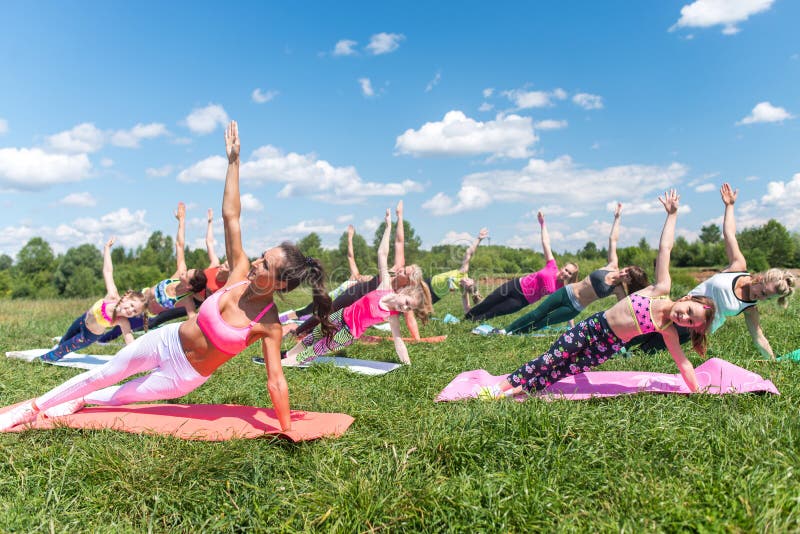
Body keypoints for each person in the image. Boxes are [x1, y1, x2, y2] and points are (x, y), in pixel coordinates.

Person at [0, 120, 332, 432]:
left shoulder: (268, 323)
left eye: (266, 264)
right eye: (261, 256)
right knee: (103, 374)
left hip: (184, 375)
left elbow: (275, 379)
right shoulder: (241, 274)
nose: (257, 262)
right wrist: (233, 163)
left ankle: (80, 401)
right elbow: (231, 216)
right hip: (166, 341)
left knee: (118, 397)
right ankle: (30, 408)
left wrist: (287, 429)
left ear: (280, 283)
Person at [478, 190, 715, 399]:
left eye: (691, 322)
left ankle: (519, 392)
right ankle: (500, 387)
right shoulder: (660, 289)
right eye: (689, 312)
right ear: (686, 299)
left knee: (563, 370)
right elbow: (666, 249)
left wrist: (698, 392)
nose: (684, 318)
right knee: (552, 359)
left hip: (609, 345)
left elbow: (683, 364)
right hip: (594, 326)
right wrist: (672, 215)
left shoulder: (668, 330)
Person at [630, 183, 796, 358]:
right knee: (629, 336)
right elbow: (729, 235)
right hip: (683, 308)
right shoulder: (738, 267)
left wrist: (774, 363)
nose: (760, 298)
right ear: (760, 278)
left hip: (691, 327)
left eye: (767, 298)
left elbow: (759, 337)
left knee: (642, 353)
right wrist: (730, 206)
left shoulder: (750, 308)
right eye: (763, 292)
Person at [282, 208, 432, 367]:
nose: (405, 307)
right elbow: (382, 254)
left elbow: (398, 341)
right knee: (314, 336)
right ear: (403, 293)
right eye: (407, 302)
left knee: (318, 348)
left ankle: (286, 363)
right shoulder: (385, 286)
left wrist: (408, 365)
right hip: (341, 315)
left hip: (349, 333)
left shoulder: (392, 315)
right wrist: (388, 226)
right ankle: (287, 355)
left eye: (409, 308)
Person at [502, 203, 648, 334]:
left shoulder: (618, 290)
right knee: (536, 314)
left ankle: (515, 334)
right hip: (566, 292)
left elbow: (624, 310)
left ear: (629, 282)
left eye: (628, 275)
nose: (624, 272)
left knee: (543, 322)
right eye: (627, 269)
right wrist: (617, 218)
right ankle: (505, 330)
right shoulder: (612, 265)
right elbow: (613, 240)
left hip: (574, 307)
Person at [96, 203, 215, 344]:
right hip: (139, 296)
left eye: (186, 275)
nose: (183, 273)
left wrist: (205, 337)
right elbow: (179, 245)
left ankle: (103, 342)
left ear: (189, 286)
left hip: (145, 315)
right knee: (109, 314)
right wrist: (182, 220)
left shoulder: (186, 300)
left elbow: (192, 318)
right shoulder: (178, 275)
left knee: (118, 330)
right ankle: (93, 334)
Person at [39, 237, 147, 362]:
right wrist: (106, 249)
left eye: (135, 312)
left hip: (87, 336)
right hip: (81, 321)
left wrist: (138, 359)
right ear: (127, 297)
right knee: (63, 341)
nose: (131, 311)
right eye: (132, 305)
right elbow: (108, 271)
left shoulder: (122, 321)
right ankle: (54, 352)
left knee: (60, 351)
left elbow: (129, 339)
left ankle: (41, 361)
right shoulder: (112, 296)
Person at [464, 213, 577, 321]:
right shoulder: (552, 266)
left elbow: (565, 305)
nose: (566, 273)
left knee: (492, 312)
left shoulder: (561, 288)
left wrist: (570, 325)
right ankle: (464, 321)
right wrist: (542, 223)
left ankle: (470, 325)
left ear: (571, 276)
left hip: (521, 301)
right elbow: (546, 242)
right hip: (515, 285)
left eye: (570, 273)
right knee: (488, 302)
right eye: (566, 270)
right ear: (563, 267)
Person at [280, 223, 373, 323]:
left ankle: (302, 320)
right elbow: (350, 257)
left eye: (369, 278)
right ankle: (280, 320)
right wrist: (350, 237)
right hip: (324, 299)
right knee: (303, 311)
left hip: (333, 309)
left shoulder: (360, 292)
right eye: (368, 276)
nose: (368, 276)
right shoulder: (355, 276)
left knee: (313, 318)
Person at [425, 228, 489, 315]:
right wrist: (479, 239)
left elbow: (467, 308)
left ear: (465, 287)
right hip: (430, 283)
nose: (465, 280)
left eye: (466, 284)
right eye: (468, 280)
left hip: (434, 296)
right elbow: (468, 253)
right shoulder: (462, 272)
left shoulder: (463, 290)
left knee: (414, 308)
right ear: (472, 280)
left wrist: (477, 315)